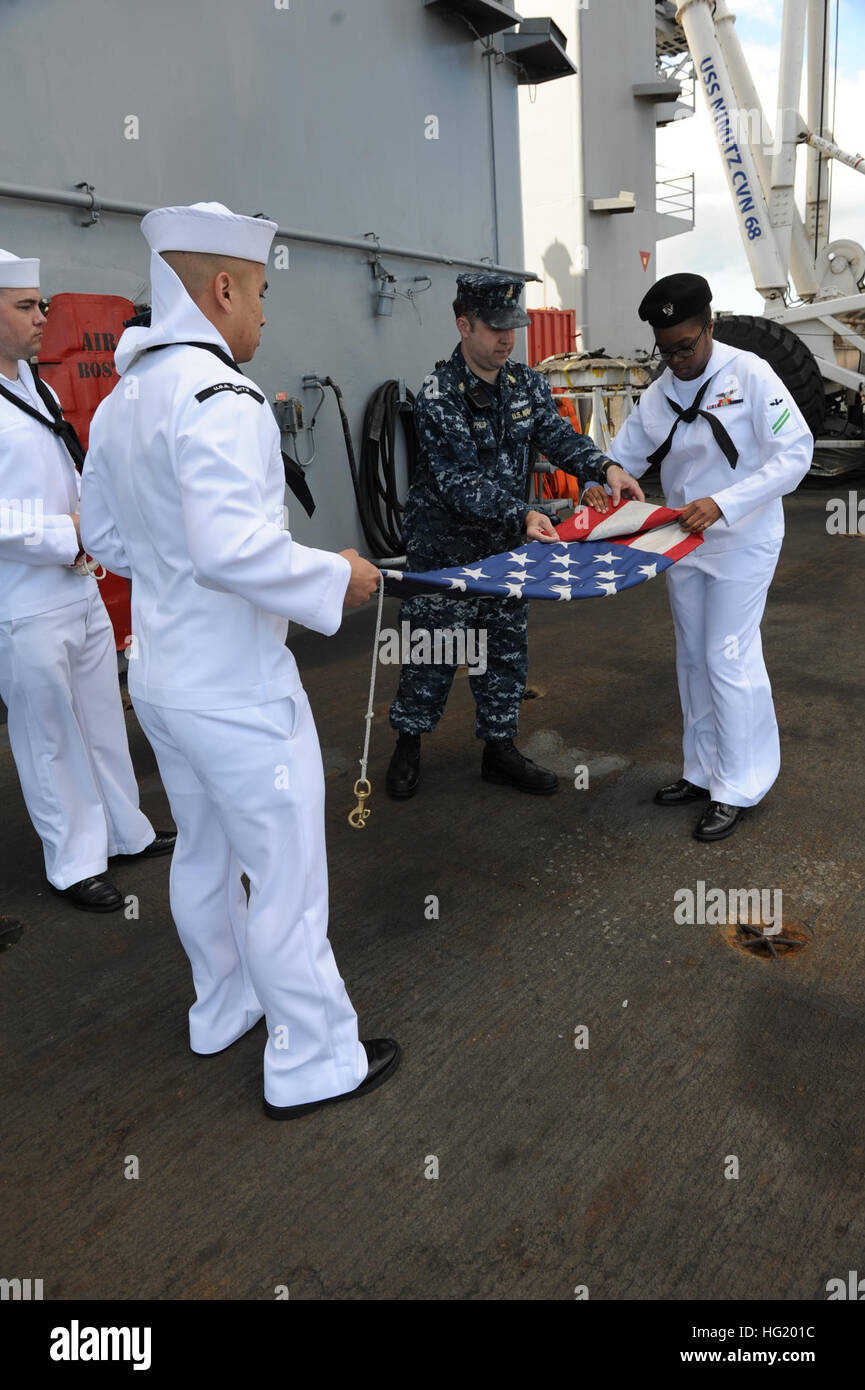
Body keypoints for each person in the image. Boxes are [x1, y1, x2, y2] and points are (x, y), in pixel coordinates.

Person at [80, 202, 399, 1118]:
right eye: (259, 293)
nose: (263, 314)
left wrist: (178, 574)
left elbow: (104, 533)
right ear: (221, 289)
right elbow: (231, 550)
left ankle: (221, 1010)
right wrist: (330, 575)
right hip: (237, 690)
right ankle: (312, 1064)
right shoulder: (225, 399)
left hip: (164, 682)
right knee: (288, 880)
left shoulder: (122, 400)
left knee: (205, 860)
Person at [386, 271, 644, 799]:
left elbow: (557, 435)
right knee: (433, 651)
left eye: (514, 326)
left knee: (505, 651)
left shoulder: (525, 383)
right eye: (495, 327)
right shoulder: (441, 394)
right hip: (445, 553)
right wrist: (523, 514)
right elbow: (456, 480)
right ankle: (408, 744)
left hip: (506, 550)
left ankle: (499, 750)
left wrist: (604, 468)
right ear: (464, 325)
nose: (507, 338)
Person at [605, 272, 813, 840]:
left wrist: (723, 503)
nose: (676, 360)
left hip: (742, 538)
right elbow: (625, 456)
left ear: (710, 328)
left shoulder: (750, 373)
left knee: (728, 657)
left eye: (686, 346)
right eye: (665, 349)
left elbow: (795, 455)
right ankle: (702, 772)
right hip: (683, 542)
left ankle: (740, 784)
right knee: (693, 658)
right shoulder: (660, 391)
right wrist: (614, 481)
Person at [0, 248, 172, 911]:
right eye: (25, 306)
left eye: (40, 303)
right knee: (48, 736)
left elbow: (63, 469)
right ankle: (71, 861)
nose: (43, 317)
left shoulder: (33, 386)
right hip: (24, 598)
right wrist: (65, 534)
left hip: (78, 583)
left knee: (101, 718)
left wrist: (91, 525)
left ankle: (123, 830)